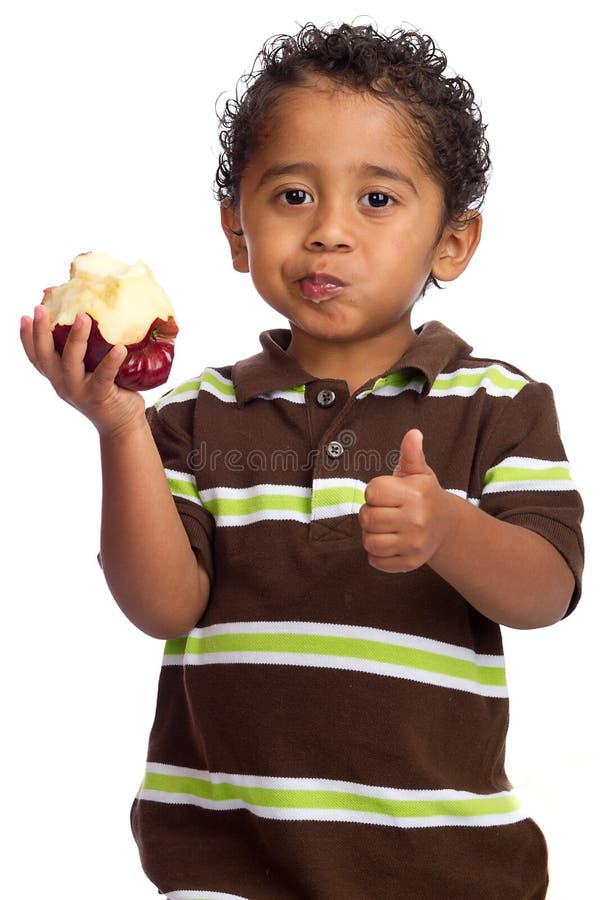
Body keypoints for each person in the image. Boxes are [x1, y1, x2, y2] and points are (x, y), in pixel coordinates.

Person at [21, 21, 584, 900]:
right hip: (226, 864)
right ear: (235, 229)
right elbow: (162, 604)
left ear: (453, 243)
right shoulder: (194, 414)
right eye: (290, 197)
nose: (327, 232)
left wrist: (449, 531)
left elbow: (547, 591)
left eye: (377, 200)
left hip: (445, 872)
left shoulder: (500, 405)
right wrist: (119, 427)